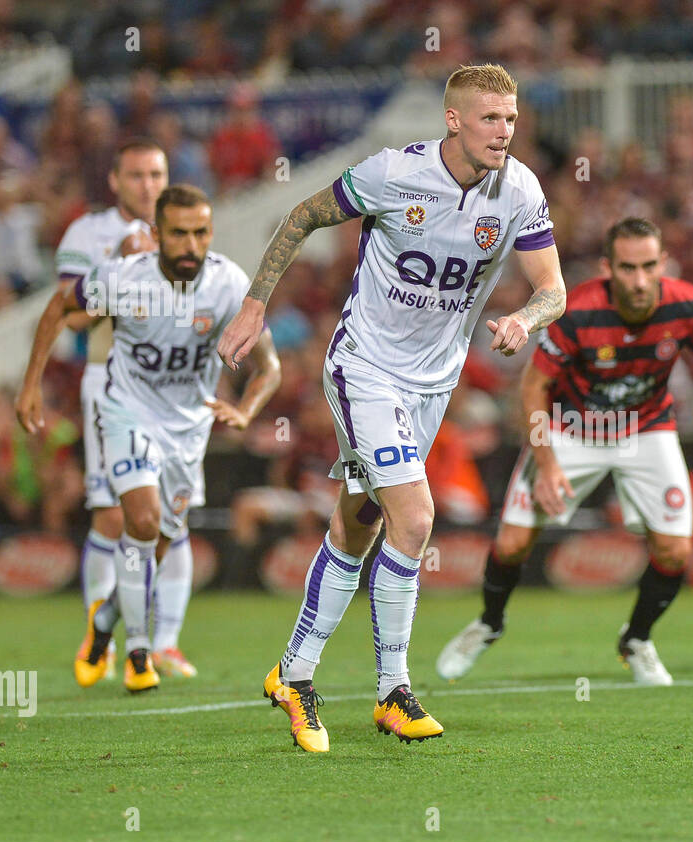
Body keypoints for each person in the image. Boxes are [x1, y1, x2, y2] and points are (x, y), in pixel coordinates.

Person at [216, 64, 566, 752]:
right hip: (364, 369)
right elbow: (305, 214)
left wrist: (526, 318)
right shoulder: (391, 174)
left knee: (362, 522)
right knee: (416, 516)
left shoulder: (520, 190)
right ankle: (393, 691)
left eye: (513, 119)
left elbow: (554, 288)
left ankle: (294, 672)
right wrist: (256, 302)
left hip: (433, 384)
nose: (506, 131)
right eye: (491, 118)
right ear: (454, 119)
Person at [437, 217, 693, 685]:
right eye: (626, 268)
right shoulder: (577, 310)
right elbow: (534, 387)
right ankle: (489, 624)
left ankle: (636, 638)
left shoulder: (686, 306)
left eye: (647, 266)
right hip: (571, 429)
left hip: (646, 430)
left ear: (663, 263)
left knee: (675, 551)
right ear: (607, 268)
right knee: (512, 543)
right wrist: (548, 463)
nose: (638, 280)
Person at [16, 184, 281, 691]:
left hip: (188, 429)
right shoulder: (122, 278)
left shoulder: (228, 285)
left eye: (200, 232)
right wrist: (31, 387)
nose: (190, 244)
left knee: (154, 546)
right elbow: (56, 307)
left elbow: (270, 366)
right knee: (140, 519)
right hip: (126, 413)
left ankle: (102, 625)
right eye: (178, 233)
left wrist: (247, 410)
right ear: (157, 235)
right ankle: (139, 654)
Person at [50, 139, 190, 680]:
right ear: (114, 181)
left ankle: (165, 642)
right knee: (113, 514)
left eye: (156, 173)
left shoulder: (183, 227)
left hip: (173, 386)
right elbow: (73, 318)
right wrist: (122, 263)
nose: (148, 185)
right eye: (136, 175)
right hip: (108, 381)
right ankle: (104, 636)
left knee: (172, 518)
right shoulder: (88, 234)